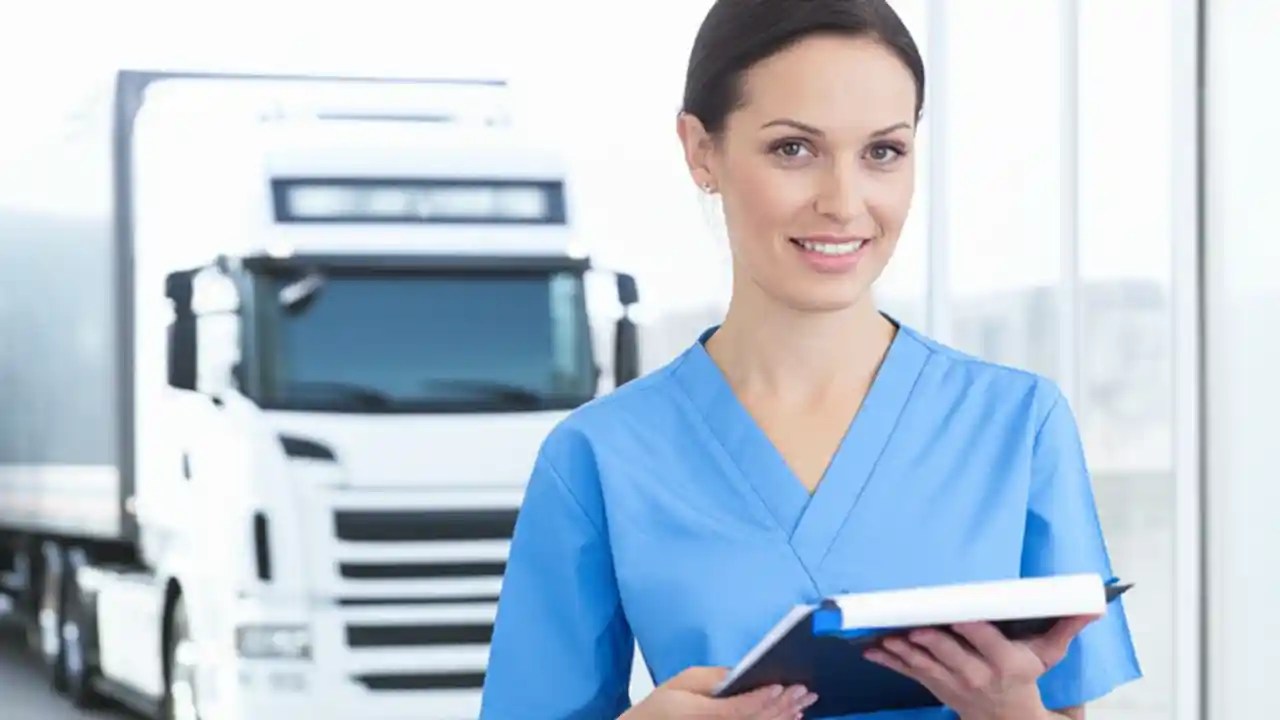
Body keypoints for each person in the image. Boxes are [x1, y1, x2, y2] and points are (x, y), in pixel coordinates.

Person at [479, 0, 1142, 718]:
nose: (844, 202)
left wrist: (1006, 707)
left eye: (882, 152)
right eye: (794, 149)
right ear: (702, 150)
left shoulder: (1018, 425)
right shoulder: (600, 458)